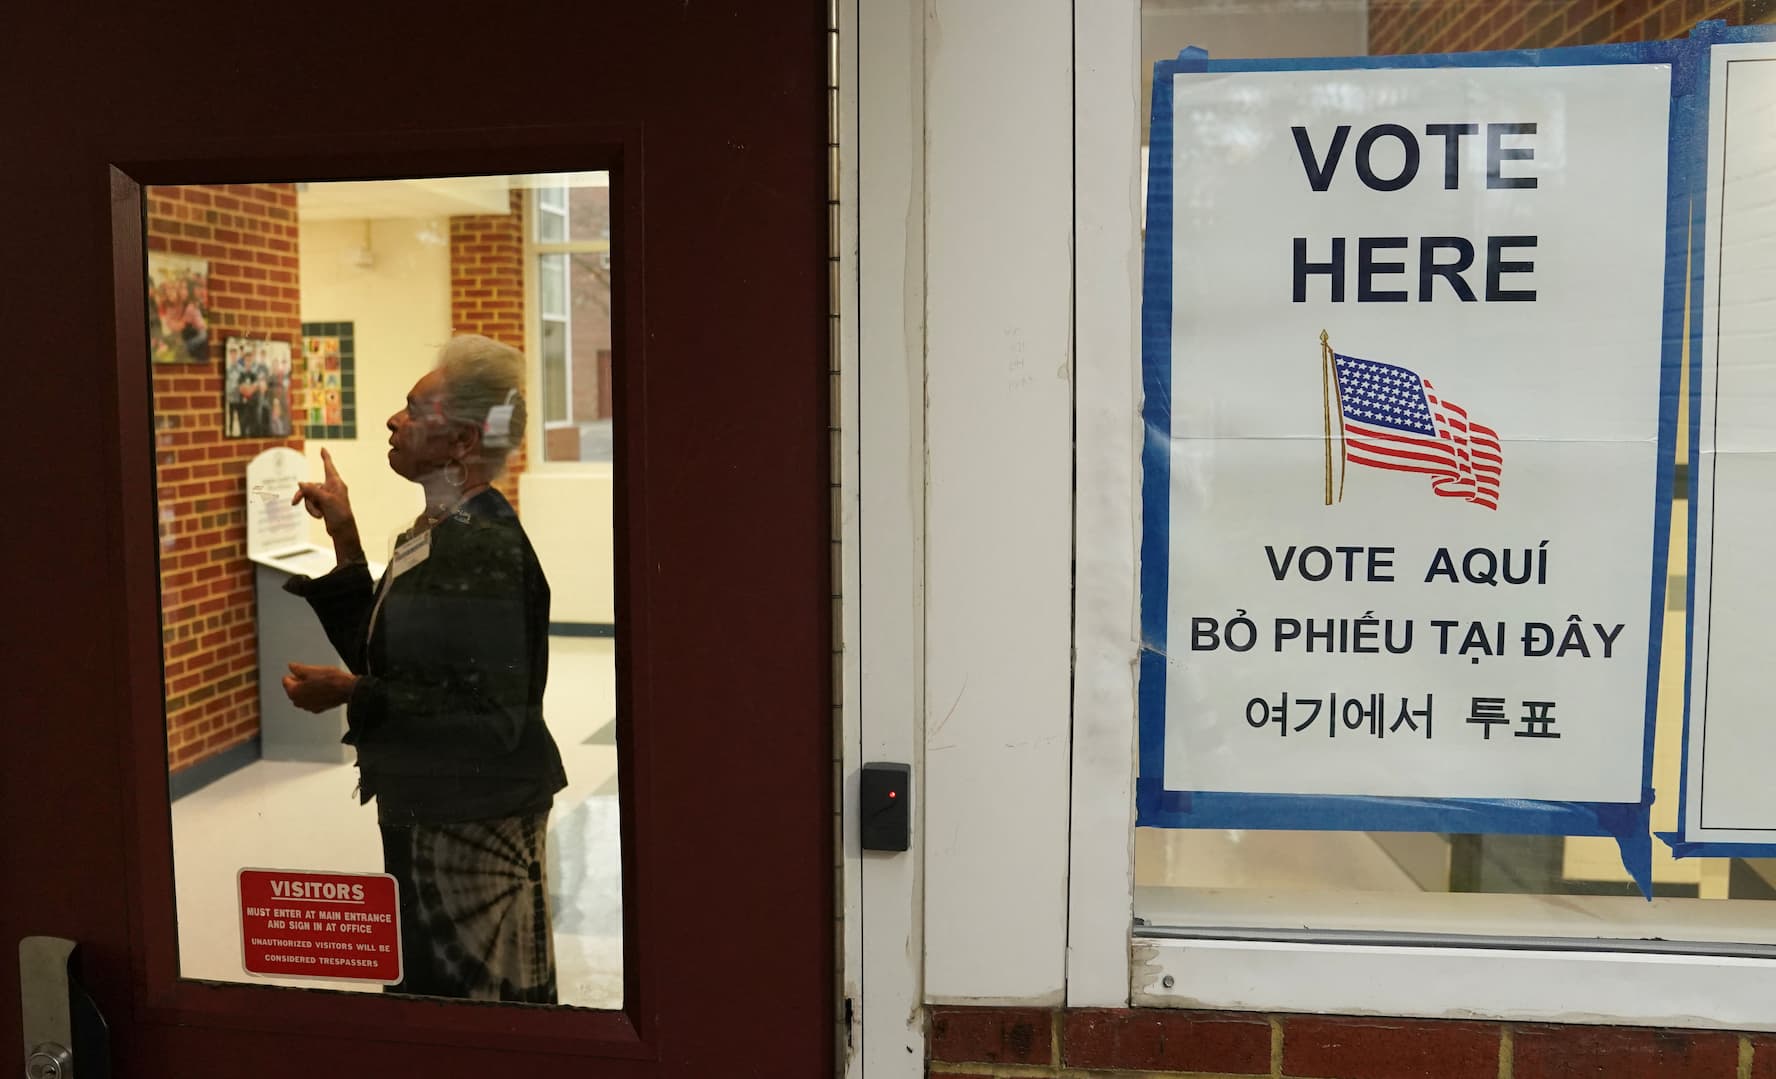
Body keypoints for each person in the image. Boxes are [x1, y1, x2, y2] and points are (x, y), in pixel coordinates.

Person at [280, 334, 567, 1003]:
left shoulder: (485, 548)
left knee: (481, 1019)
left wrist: (356, 693)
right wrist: (346, 540)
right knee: (429, 1003)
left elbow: (493, 721)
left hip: (476, 818)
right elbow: (386, 657)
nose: (393, 419)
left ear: (462, 443)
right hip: (433, 803)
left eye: (413, 409)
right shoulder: (436, 531)